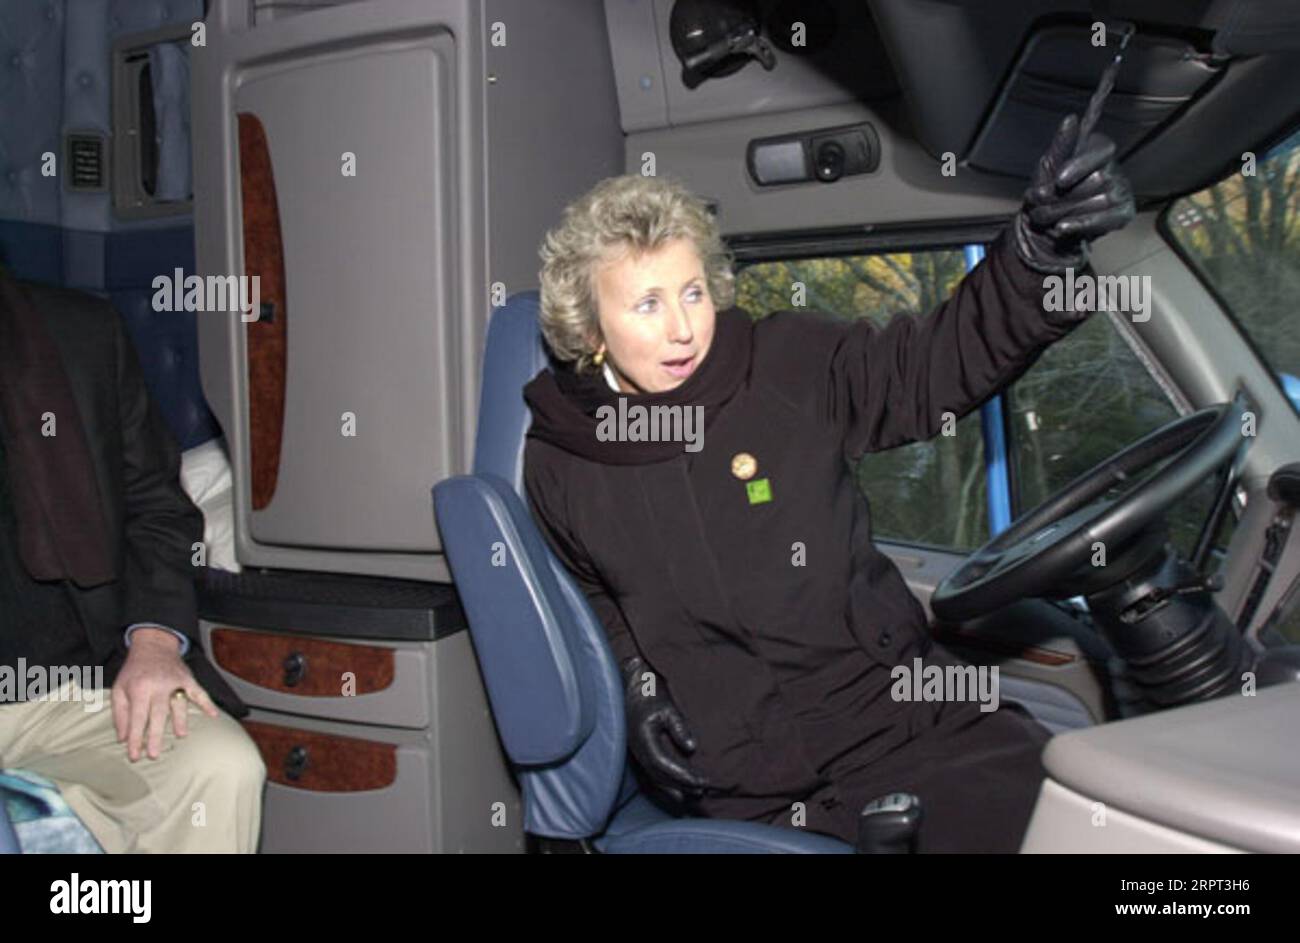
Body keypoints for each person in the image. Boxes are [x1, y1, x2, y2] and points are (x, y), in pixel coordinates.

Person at [522, 114, 1134, 852]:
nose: (684, 329)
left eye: (691, 292)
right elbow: (599, 597)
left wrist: (1032, 259)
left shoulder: (786, 364)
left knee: (1103, 837)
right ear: (591, 329)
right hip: (750, 782)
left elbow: (928, 367)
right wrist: (638, 688)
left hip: (907, 723)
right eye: (648, 304)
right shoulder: (562, 457)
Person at [0, 265, 265, 853]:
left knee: (219, 767)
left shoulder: (80, 333)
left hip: (69, 692)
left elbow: (158, 510)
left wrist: (153, 643)